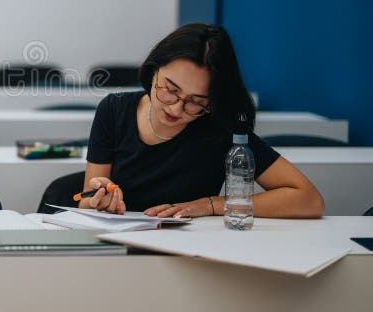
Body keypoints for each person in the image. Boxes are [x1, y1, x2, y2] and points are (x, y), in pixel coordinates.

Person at [81, 23, 324, 218]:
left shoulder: (219, 129)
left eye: (196, 102)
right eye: (170, 89)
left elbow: (308, 199)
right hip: (119, 250)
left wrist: (211, 205)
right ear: (154, 69)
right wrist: (99, 201)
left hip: (189, 249)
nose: (176, 108)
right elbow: (86, 202)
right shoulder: (114, 110)